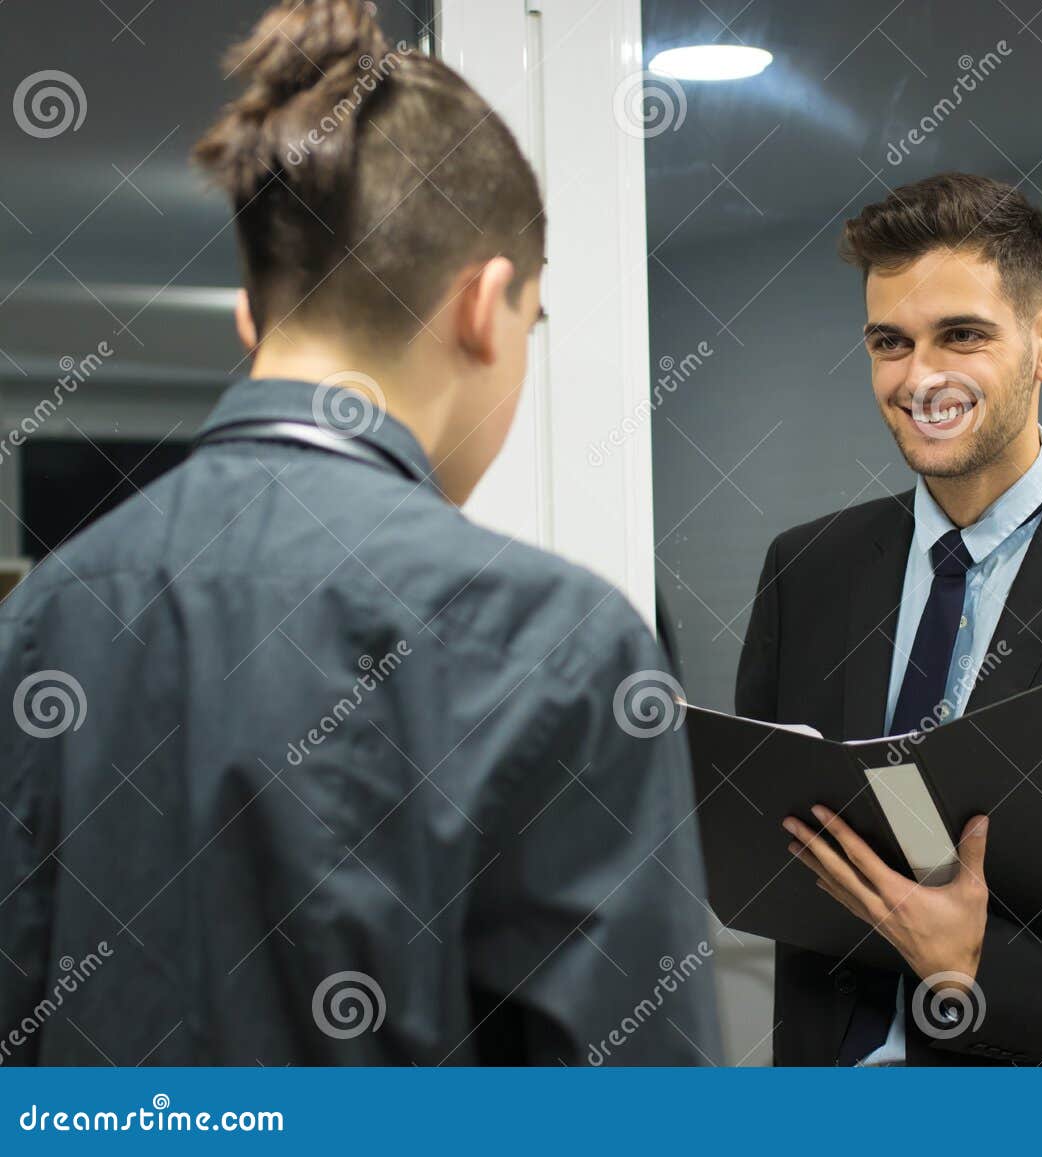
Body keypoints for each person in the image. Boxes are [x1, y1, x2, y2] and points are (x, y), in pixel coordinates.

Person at [0, 0, 718, 1066]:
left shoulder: (47, 616)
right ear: (485, 307)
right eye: (535, 323)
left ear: (253, 318)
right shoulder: (557, 643)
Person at [736, 172, 1042, 1066]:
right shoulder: (804, 572)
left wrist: (972, 963)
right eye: (890, 342)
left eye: (961, 335)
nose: (921, 376)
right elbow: (762, 859)